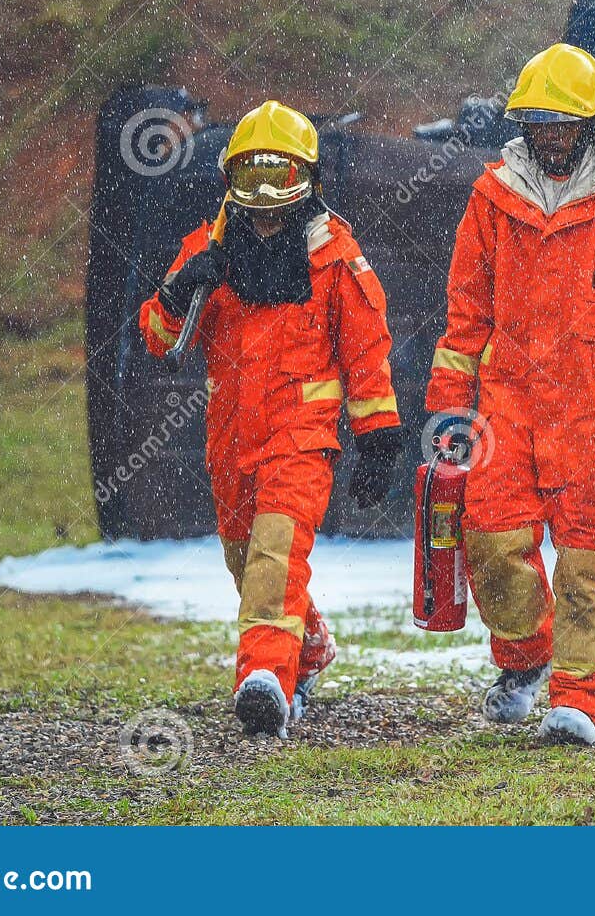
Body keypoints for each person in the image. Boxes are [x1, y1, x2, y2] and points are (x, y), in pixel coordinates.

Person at [426, 43, 595, 746]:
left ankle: (582, 698)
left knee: (586, 557)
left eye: (563, 123)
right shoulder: (492, 194)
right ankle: (525, 659)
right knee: (488, 540)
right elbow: (465, 312)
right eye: (540, 123)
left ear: (592, 124)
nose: (551, 136)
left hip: (589, 409)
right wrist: (448, 402)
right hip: (505, 406)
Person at [140, 100, 402, 738]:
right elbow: (156, 335)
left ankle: (265, 682)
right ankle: (306, 649)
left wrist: (378, 439)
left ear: (305, 182)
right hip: (229, 442)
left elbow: (366, 350)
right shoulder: (207, 248)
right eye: (251, 179)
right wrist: (176, 293)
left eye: (278, 179)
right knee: (247, 562)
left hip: (302, 439)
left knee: (276, 558)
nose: (264, 198)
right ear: (231, 180)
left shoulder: (334, 255)